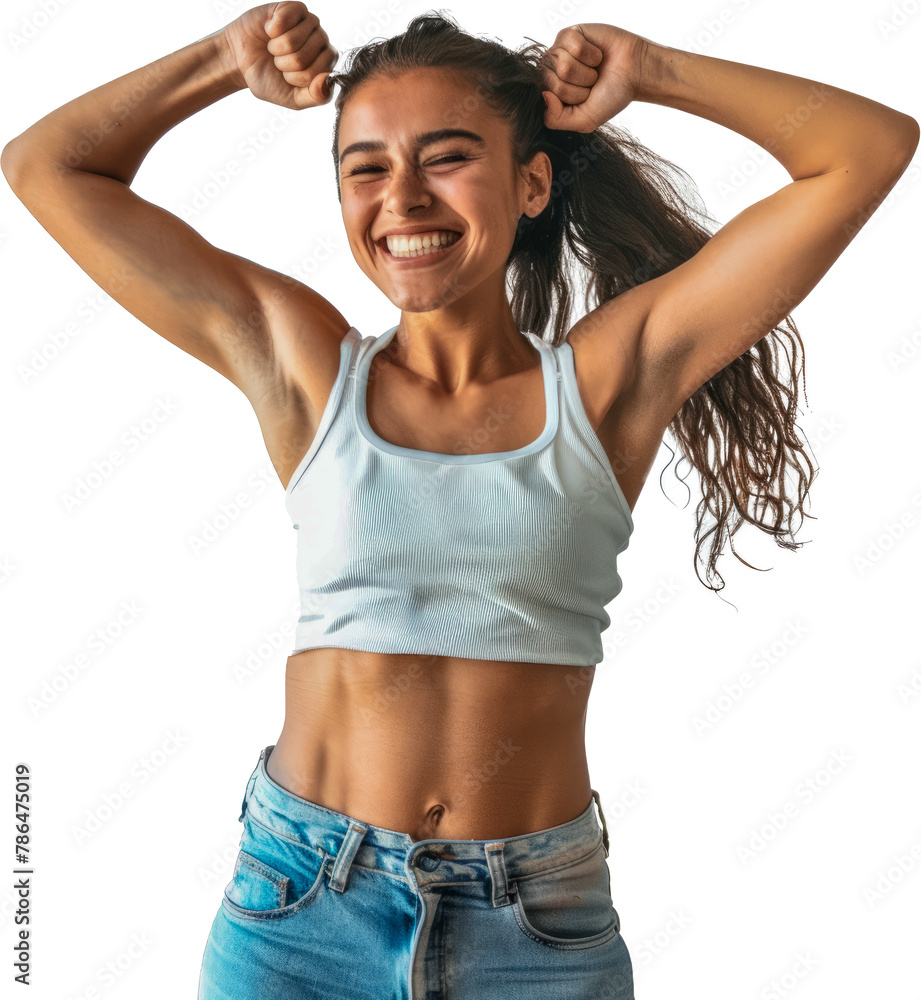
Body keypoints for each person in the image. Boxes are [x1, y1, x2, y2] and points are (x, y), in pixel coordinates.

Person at [2, 3, 917, 997]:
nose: (403, 196)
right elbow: (47, 167)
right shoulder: (307, 368)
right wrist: (221, 61)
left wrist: (652, 69)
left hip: (537, 929)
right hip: (303, 910)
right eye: (365, 167)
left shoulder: (610, 382)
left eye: (446, 157)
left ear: (532, 180)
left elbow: (866, 150)